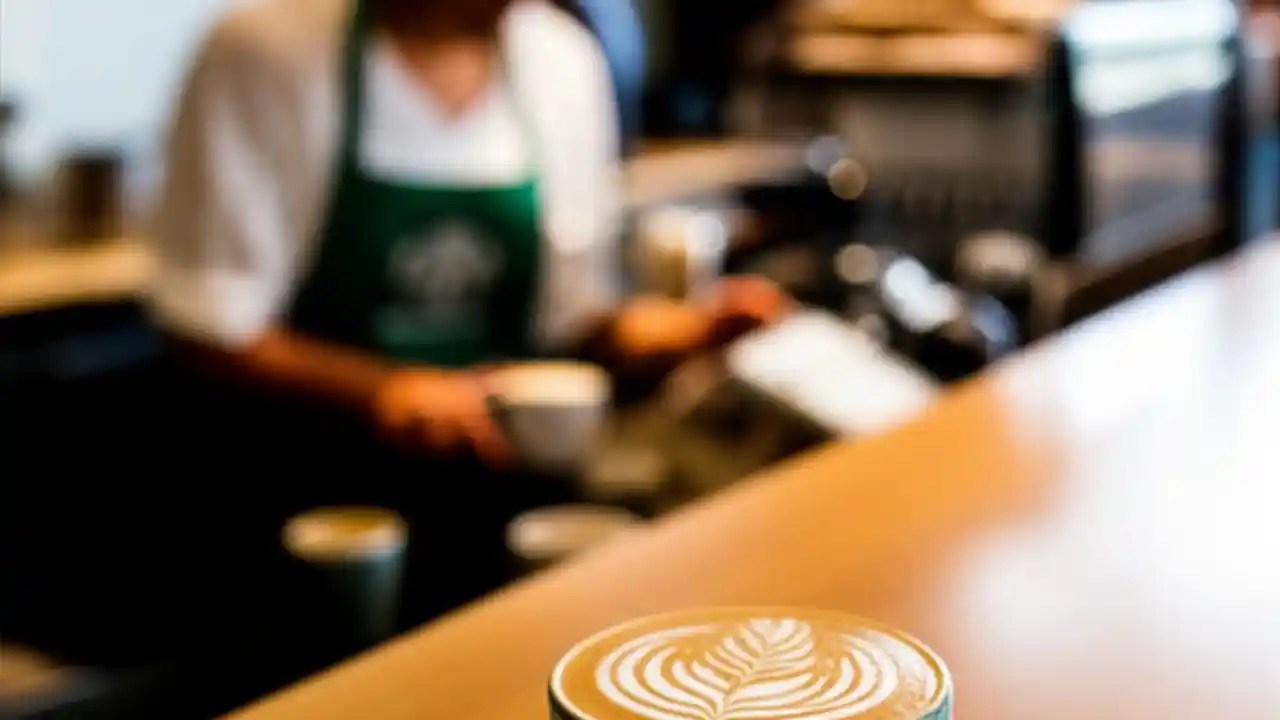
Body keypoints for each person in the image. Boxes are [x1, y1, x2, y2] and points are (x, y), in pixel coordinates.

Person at [153, 0, 784, 468]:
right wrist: (388, 391)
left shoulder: (560, 58)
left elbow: (571, 318)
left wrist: (690, 331)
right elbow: (210, 328)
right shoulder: (267, 52)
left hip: (505, 486)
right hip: (308, 489)